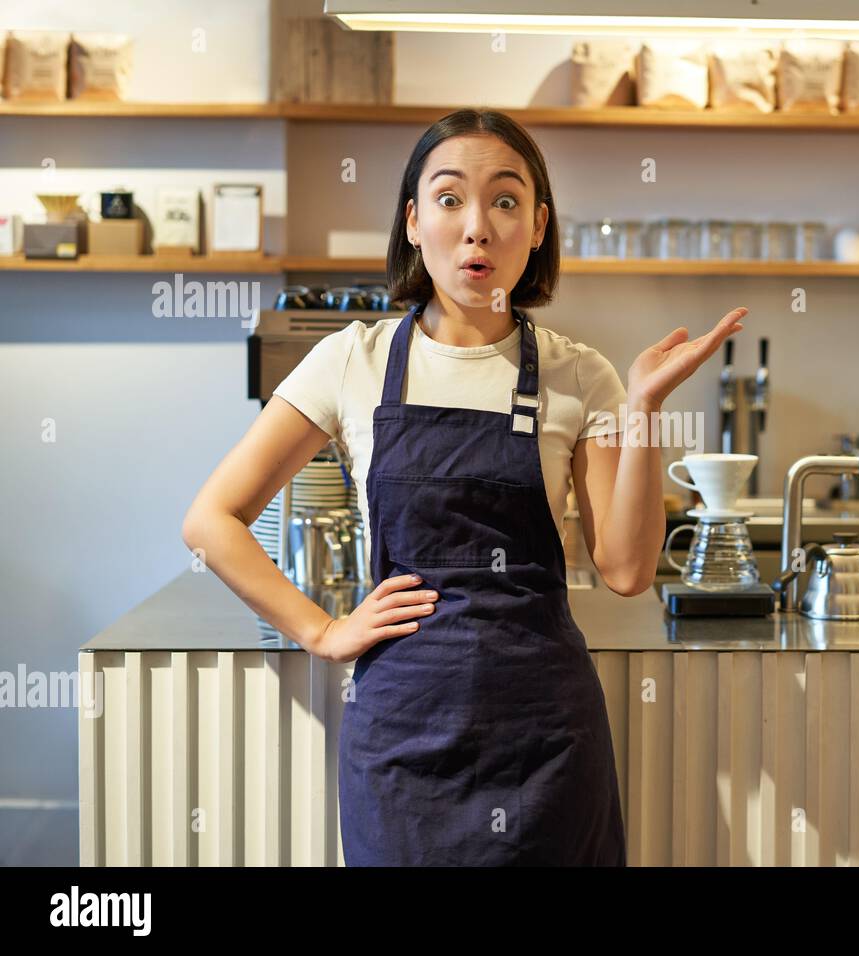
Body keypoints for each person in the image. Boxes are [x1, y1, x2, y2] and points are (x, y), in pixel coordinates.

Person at [181, 107, 746, 865]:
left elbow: (625, 570)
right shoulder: (354, 359)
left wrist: (642, 411)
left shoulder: (584, 375)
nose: (477, 226)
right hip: (402, 743)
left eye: (505, 201)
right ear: (413, 222)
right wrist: (321, 631)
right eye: (449, 199)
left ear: (538, 225)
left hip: (546, 741)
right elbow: (213, 518)